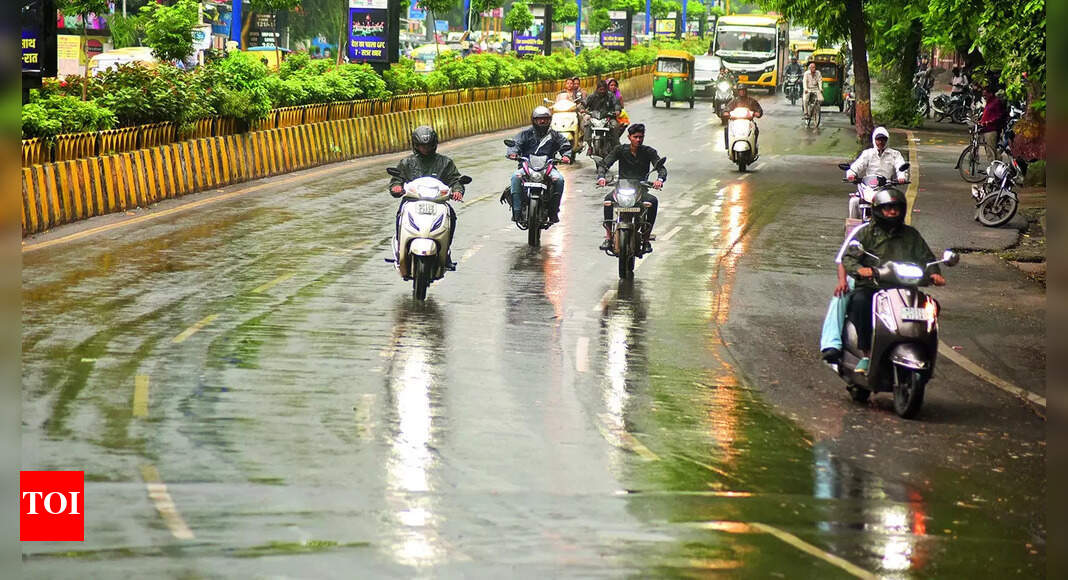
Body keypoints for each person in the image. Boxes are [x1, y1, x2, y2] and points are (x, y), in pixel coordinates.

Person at [838, 189, 944, 374]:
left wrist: (934, 272)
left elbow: (926, 257)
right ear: (878, 210)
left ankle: (922, 348)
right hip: (874, 287)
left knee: (931, 307)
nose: (892, 212)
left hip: (904, 288)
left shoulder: (911, 235)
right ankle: (866, 353)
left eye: (896, 208)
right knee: (860, 302)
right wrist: (861, 270)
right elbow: (849, 258)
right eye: (887, 208)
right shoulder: (866, 233)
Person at [390, 126, 466, 270]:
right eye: (421, 145)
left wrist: (457, 190)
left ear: (434, 144)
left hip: (437, 202)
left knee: (452, 216)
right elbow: (397, 179)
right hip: (412, 201)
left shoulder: (445, 163)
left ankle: (446, 252)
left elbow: (455, 180)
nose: (425, 148)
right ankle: (401, 249)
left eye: (428, 145)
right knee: (400, 215)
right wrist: (397, 187)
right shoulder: (406, 163)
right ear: (415, 145)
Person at [596, 124, 667, 253]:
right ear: (629, 137)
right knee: (607, 201)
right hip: (622, 188)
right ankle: (608, 236)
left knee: (653, 201)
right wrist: (601, 177)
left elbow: (661, 168)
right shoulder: (620, 150)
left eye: (641, 137)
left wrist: (659, 180)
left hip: (640, 190)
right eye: (635, 137)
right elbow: (604, 164)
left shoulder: (649, 152)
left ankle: (646, 239)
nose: (638, 140)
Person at [506, 106, 573, 224]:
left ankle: (553, 212)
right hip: (527, 167)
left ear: (549, 120)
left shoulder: (554, 135)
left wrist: (566, 156)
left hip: (547, 167)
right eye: (539, 119)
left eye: (545, 119)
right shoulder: (525, 134)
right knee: (515, 178)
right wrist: (512, 153)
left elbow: (565, 145)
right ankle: (516, 211)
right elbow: (515, 144)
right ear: (534, 120)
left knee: (559, 180)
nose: (542, 121)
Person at [722, 85, 763, 154]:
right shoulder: (734, 101)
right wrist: (726, 113)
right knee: (727, 129)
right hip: (735, 121)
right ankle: (728, 146)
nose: (742, 92)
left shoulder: (751, 101)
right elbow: (727, 109)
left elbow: (759, 110)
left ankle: (754, 146)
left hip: (748, 121)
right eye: (740, 91)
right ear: (738, 92)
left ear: (746, 91)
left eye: (743, 90)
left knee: (756, 129)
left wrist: (757, 113)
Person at [584, 79, 622, 148]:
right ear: (597, 89)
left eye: (603, 90)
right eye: (600, 89)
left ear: (606, 89)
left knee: (614, 125)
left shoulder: (611, 96)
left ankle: (616, 145)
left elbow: (617, 104)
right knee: (587, 124)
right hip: (595, 118)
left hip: (608, 117)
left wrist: (617, 110)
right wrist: (582, 108)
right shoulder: (592, 96)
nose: (602, 91)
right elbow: (585, 104)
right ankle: (589, 145)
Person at [977, 86, 1008, 162]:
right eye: (983, 95)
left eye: (985, 95)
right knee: (989, 151)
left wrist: (989, 122)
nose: (984, 97)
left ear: (990, 94)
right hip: (985, 129)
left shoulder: (996, 102)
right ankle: (995, 167)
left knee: (991, 151)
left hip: (991, 129)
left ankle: (994, 168)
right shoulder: (988, 102)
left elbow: (999, 116)